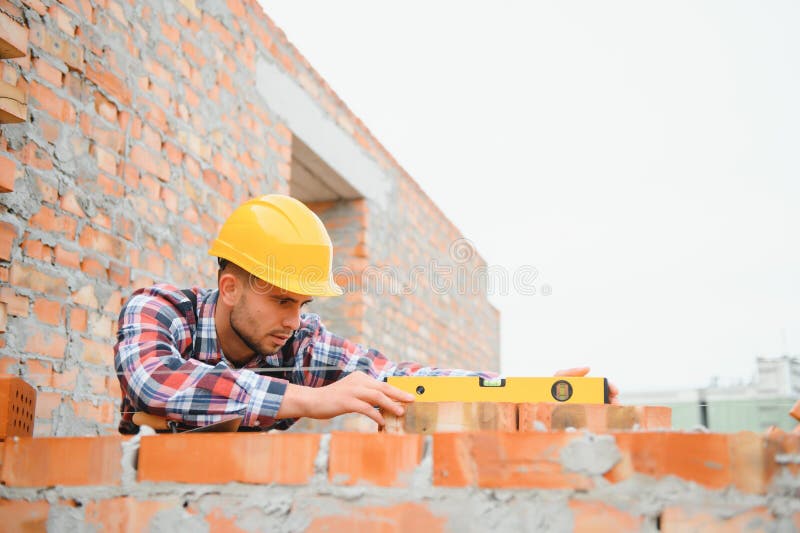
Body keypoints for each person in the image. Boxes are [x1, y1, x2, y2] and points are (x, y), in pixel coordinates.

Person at [114, 194, 616, 433]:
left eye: (303, 304)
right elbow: (154, 381)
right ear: (230, 287)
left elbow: (396, 377)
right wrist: (309, 401)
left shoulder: (300, 344)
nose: (294, 319)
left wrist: (529, 393)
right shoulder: (158, 310)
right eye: (283, 300)